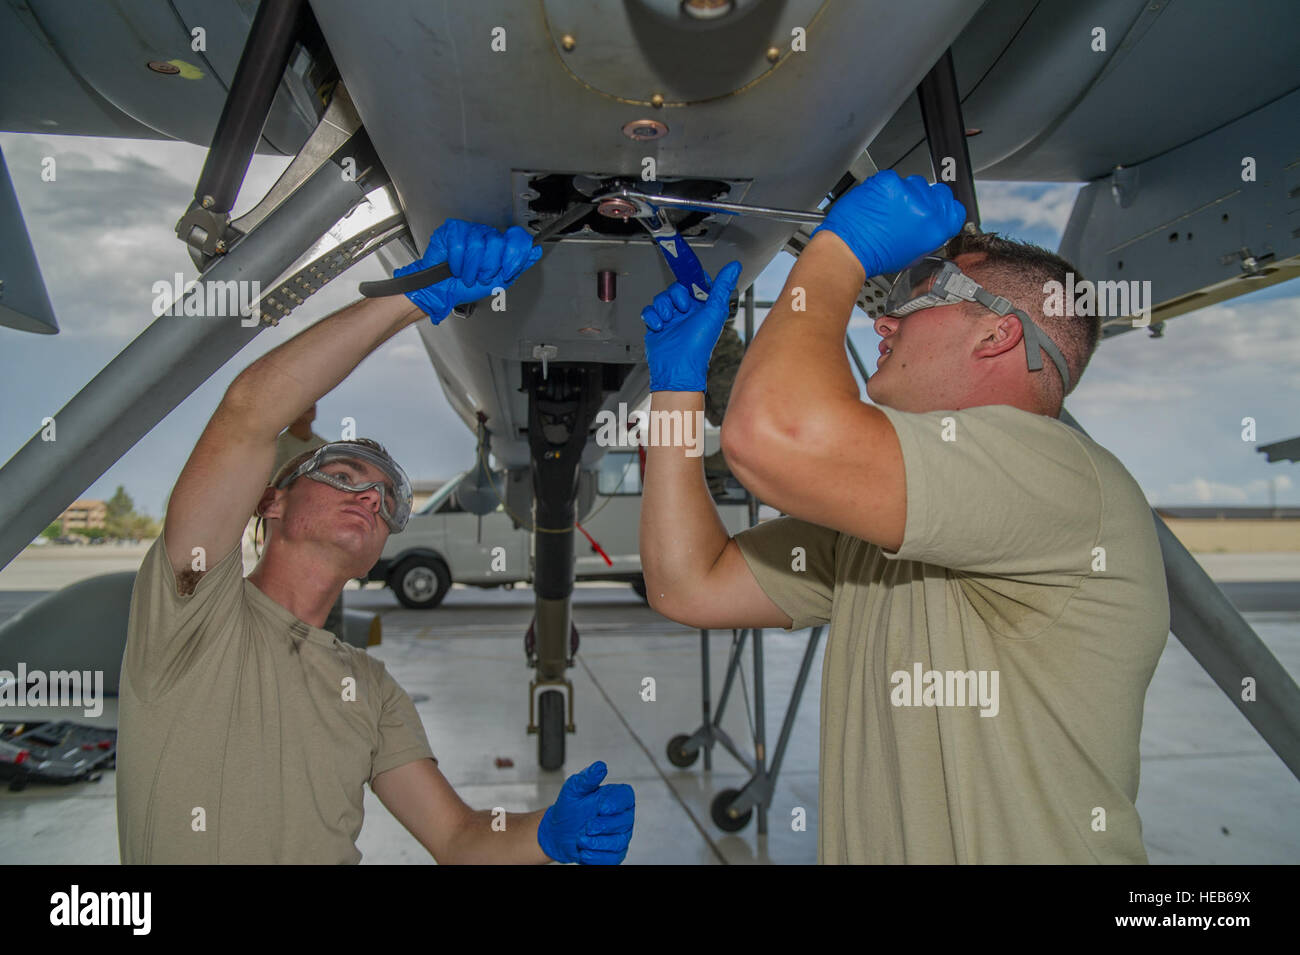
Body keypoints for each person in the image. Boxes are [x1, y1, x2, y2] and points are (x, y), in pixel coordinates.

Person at [638, 170, 1168, 864]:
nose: (882, 320)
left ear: (998, 336)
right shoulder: (897, 516)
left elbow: (775, 436)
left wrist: (839, 248)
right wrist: (676, 395)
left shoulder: (1063, 477)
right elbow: (688, 583)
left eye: (919, 299)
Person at [118, 219, 635, 864]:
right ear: (271, 501)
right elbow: (249, 411)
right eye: (341, 476)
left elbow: (456, 838)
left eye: (388, 498)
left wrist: (547, 833)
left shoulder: (369, 687)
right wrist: (412, 296)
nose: (370, 497)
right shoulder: (190, 611)